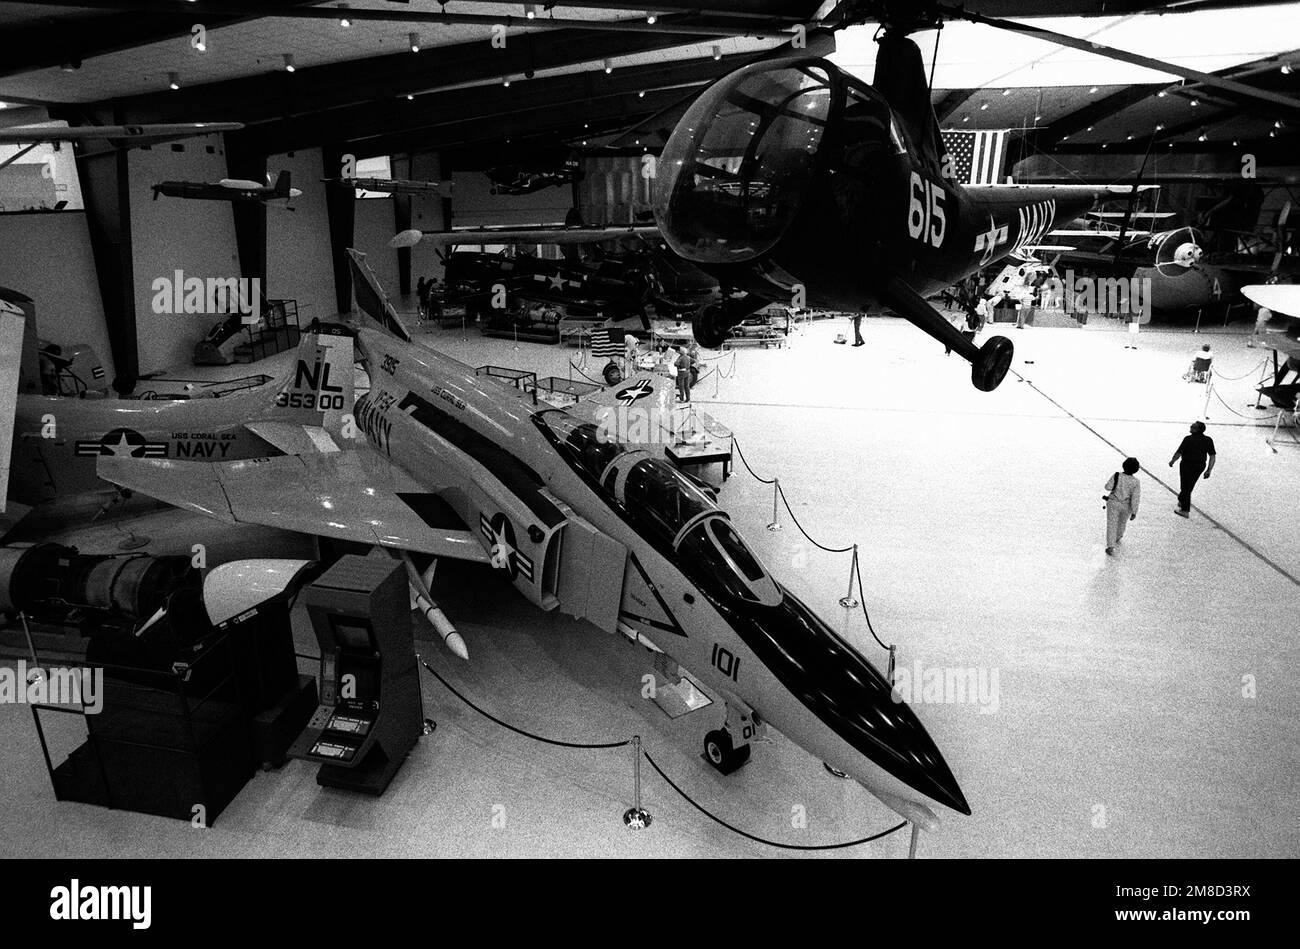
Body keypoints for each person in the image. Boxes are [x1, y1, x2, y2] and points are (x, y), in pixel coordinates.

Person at [1168, 420, 1215, 517]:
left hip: (1187, 464)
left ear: (1198, 430)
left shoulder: (1188, 439)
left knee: (1185, 487)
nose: (1191, 427)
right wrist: (1209, 470)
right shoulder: (1208, 440)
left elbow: (1179, 452)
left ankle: (1185, 510)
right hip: (1200, 466)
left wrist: (1172, 461)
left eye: (1193, 427)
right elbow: (1212, 456)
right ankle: (1182, 499)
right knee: (1189, 485)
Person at [1103, 457, 1142, 556]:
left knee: (1112, 523)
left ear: (1124, 466)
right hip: (1126, 505)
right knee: (1122, 522)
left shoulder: (1117, 476)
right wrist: (1134, 511)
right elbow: (1135, 497)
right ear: (1136, 470)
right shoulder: (1136, 482)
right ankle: (1118, 536)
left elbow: (1108, 487)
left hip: (1113, 502)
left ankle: (1110, 546)